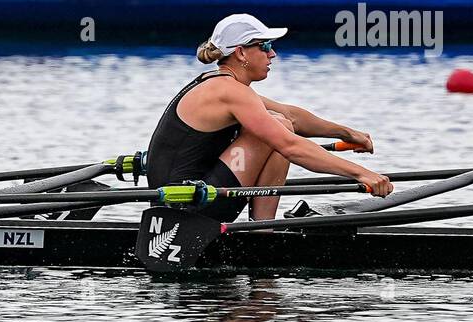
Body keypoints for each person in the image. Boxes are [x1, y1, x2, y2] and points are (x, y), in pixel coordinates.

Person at [146, 13, 392, 222]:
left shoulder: (224, 86)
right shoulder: (228, 91)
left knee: (280, 122)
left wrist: (349, 134)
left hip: (192, 198)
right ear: (241, 53)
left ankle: (262, 230)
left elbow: (292, 116)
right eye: (264, 46)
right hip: (184, 207)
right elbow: (291, 146)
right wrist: (362, 173)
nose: (272, 53)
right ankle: (262, 232)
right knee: (278, 130)